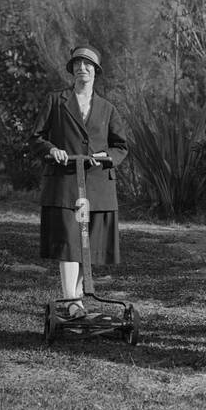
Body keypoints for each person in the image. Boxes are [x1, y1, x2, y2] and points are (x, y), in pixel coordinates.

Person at [30, 45, 129, 317]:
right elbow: (35, 137)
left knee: (88, 246)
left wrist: (106, 156)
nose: (81, 68)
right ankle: (72, 301)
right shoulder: (56, 101)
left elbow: (121, 146)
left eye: (87, 64)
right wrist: (52, 149)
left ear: (96, 71)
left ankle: (78, 300)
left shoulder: (108, 108)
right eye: (77, 64)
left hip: (97, 185)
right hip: (64, 183)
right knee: (68, 241)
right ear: (72, 70)